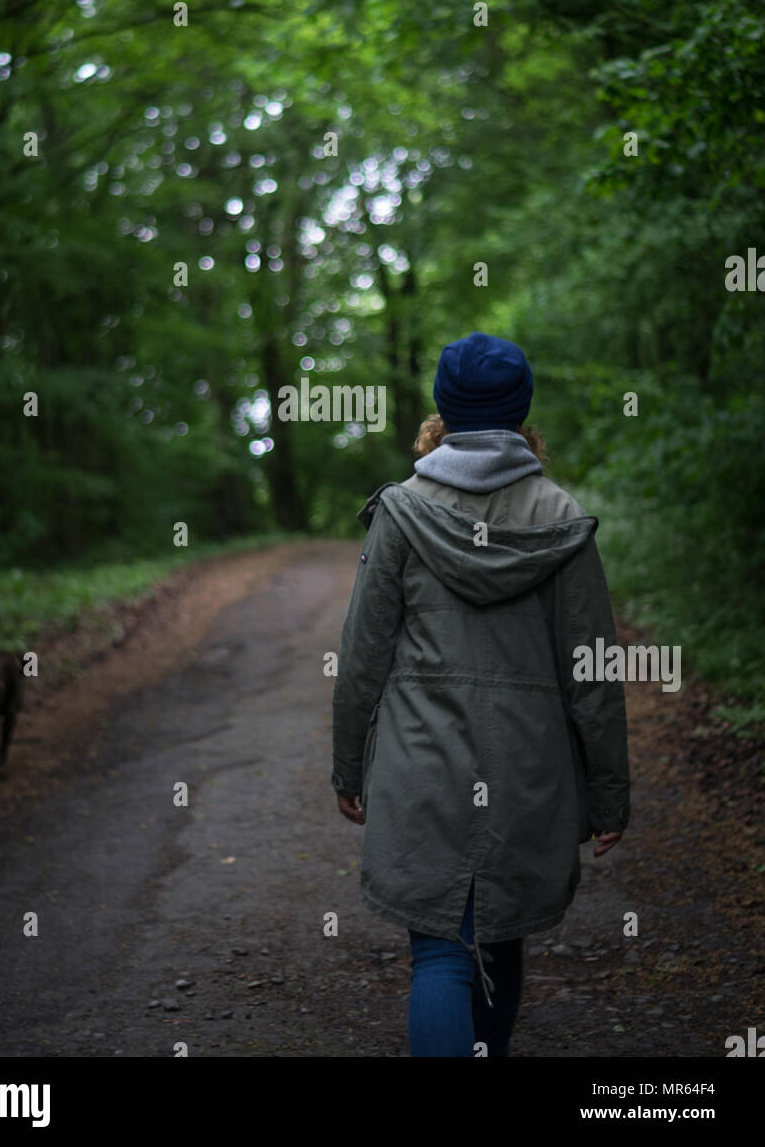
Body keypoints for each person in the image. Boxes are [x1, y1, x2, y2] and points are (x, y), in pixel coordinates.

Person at [331, 331, 630, 1057]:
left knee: (439, 955)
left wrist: (347, 767)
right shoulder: (563, 515)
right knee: (496, 944)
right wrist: (609, 793)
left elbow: (362, 657)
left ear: (444, 408)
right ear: (522, 410)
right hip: (528, 770)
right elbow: (592, 671)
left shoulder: (402, 510)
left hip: (421, 764)